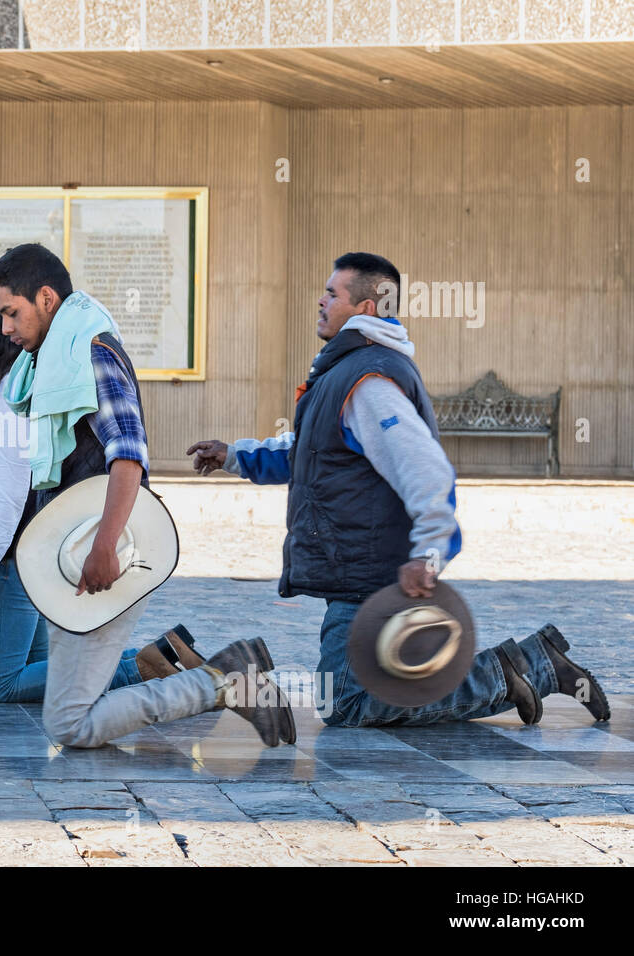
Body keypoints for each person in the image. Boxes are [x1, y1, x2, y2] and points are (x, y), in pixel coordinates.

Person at [188, 251, 610, 728]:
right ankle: (521, 668)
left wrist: (430, 552)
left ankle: (524, 668)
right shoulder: (346, 372)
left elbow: (425, 469)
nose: (320, 302)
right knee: (352, 696)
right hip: (354, 566)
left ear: (366, 309)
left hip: (366, 573)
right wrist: (237, 456)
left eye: (332, 293)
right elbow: (309, 449)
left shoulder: (369, 382)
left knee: (344, 703)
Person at [0, 243, 295, 748]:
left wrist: (105, 546)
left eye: (11, 313)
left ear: (45, 298)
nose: (6, 329)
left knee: (68, 725)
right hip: (76, 555)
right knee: (67, 715)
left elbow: (128, 454)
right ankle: (220, 677)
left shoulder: (91, 353)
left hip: (104, 557)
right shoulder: (46, 365)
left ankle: (222, 681)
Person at [0, 267, 144, 702]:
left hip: (14, 551)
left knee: (5, 683)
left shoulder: (12, 388)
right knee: (37, 671)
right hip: (20, 548)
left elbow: (10, 491)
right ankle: (151, 662)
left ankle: (146, 664)